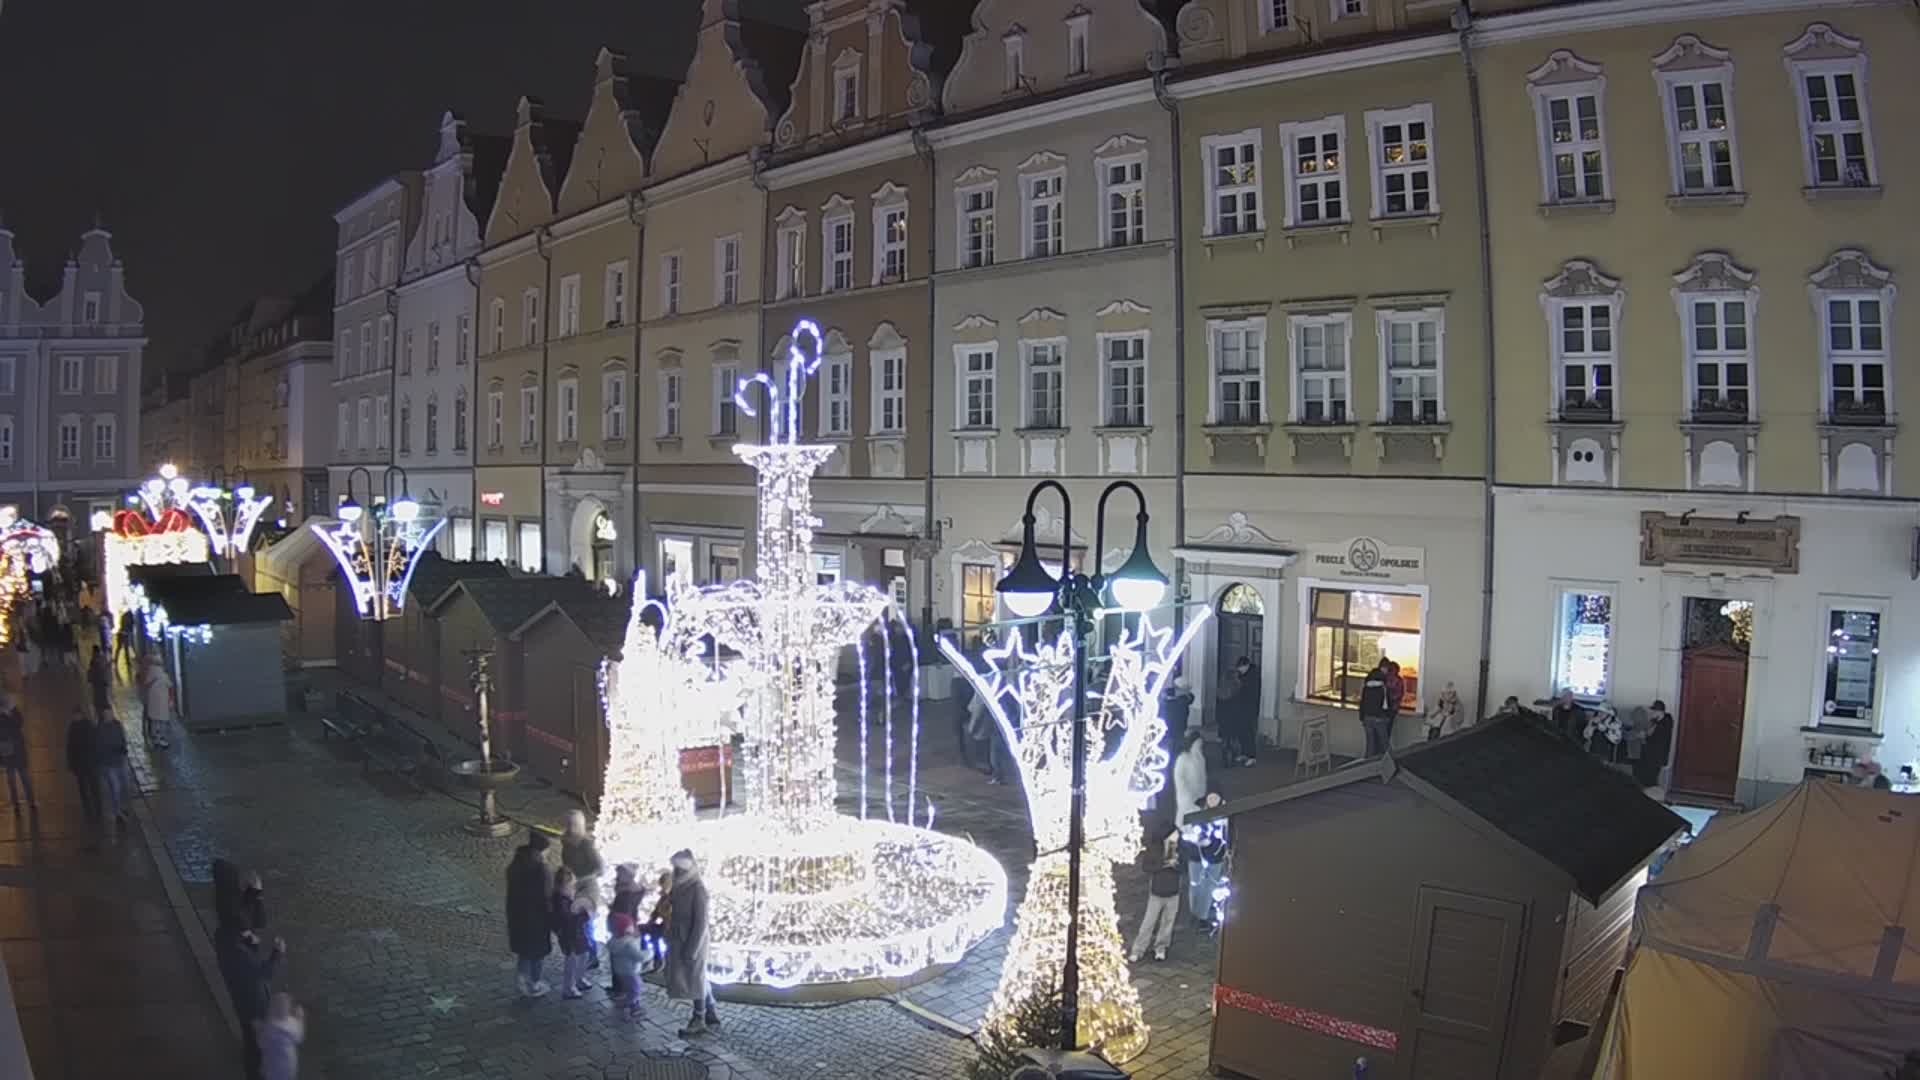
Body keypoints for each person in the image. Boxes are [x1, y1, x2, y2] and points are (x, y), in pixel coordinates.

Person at [217, 921, 285, 1080]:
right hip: (255, 1007)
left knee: (250, 1043)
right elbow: (263, 973)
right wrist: (277, 953)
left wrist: (252, 945)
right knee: (257, 1048)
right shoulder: (239, 952)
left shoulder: (224, 942)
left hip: (243, 1004)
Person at [665, 848, 719, 1036]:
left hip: (693, 939)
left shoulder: (698, 889)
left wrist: (692, 949)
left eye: (679, 869)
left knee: (695, 978)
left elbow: (701, 922)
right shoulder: (680, 886)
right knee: (698, 976)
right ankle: (710, 1010)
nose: (677, 872)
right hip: (680, 937)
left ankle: (699, 1018)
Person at [505, 832, 554, 997]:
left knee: (524, 952)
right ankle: (534, 984)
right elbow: (547, 897)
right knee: (537, 954)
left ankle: (520, 979)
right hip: (536, 920)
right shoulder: (542, 870)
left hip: (517, 916)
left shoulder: (517, 863)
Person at [1128, 823, 1182, 963]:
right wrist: (1163, 865)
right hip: (1157, 892)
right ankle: (1138, 949)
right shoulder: (1154, 849)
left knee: (1168, 922)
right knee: (1148, 922)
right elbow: (1146, 867)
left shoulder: (1179, 848)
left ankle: (1161, 948)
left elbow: (1186, 867)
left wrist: (1177, 865)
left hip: (1173, 892)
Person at [560, 810, 603, 967]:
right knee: (576, 923)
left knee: (586, 924)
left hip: (588, 887)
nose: (571, 828)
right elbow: (565, 862)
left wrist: (580, 879)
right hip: (573, 886)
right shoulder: (565, 841)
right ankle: (581, 952)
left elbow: (600, 868)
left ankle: (592, 956)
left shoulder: (586, 844)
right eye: (569, 824)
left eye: (574, 824)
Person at [1186, 796, 1228, 930]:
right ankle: (1194, 913)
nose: (1213, 801)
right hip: (1197, 857)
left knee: (1209, 887)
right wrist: (1198, 841)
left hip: (1215, 858)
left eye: (1216, 797)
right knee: (1196, 886)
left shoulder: (1224, 816)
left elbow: (1226, 836)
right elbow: (1192, 833)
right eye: (1211, 797)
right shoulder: (1198, 815)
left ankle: (1202, 917)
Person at [550, 866, 592, 999]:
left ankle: (579, 979)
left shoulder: (566, 894)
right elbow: (566, 918)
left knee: (584, 953)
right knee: (571, 959)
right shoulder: (559, 897)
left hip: (576, 930)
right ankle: (568, 988)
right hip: (568, 932)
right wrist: (584, 915)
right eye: (567, 880)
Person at [92, 706, 130, 823]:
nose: (109, 716)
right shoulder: (100, 730)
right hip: (109, 764)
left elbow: (122, 738)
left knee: (125, 785)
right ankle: (117, 811)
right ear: (103, 716)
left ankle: (121, 807)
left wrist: (123, 749)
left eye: (110, 713)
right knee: (116, 787)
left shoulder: (117, 725)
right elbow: (100, 747)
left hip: (120, 760)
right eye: (107, 714)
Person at [605, 912, 646, 1020]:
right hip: (631, 971)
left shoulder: (614, 941)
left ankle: (633, 1005)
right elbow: (640, 957)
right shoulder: (628, 944)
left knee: (630, 989)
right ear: (626, 929)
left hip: (620, 972)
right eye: (630, 925)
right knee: (636, 990)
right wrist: (649, 952)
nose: (633, 927)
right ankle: (629, 1006)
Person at [256, 992, 305, 1080]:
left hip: (276, 1068)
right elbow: (299, 1038)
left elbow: (261, 1044)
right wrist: (300, 1018)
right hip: (287, 1066)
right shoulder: (291, 1023)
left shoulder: (270, 1026)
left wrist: (258, 1029)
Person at [66, 706, 101, 823]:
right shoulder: (76, 727)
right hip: (82, 763)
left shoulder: (84, 726)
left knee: (91, 785)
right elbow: (70, 747)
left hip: (87, 762)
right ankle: (90, 807)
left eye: (76, 715)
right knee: (85, 786)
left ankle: (95, 807)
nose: (75, 717)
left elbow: (93, 743)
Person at [0, 692, 32, 813]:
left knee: (25, 779)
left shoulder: (14, 712)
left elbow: (19, 723)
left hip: (18, 753)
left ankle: (31, 802)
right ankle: (16, 805)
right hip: (8, 754)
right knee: (11, 781)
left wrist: (10, 714)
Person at [1632, 701, 1674, 789]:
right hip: (1647, 754)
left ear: (1660, 711)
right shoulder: (1654, 722)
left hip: (1656, 757)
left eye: (1654, 711)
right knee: (1641, 777)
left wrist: (1645, 736)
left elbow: (1658, 740)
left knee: (1650, 779)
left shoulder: (1665, 724)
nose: (1652, 713)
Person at [1228, 657, 1260, 767]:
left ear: (1246, 665)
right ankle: (1244, 753)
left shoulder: (1253, 676)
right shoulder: (1241, 675)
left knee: (1249, 732)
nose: (1239, 670)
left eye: (1241, 667)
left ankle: (1252, 756)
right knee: (1241, 731)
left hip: (1249, 709)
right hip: (1240, 708)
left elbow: (1252, 693)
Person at [1172, 729, 1207, 829]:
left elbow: (1203, 777)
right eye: (1197, 743)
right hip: (1186, 796)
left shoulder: (1201, 759)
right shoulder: (1183, 758)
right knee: (1184, 818)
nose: (1199, 746)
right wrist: (1185, 791)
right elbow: (1179, 776)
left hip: (1199, 795)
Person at [1357, 660, 1392, 758]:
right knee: (1385, 744)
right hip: (1379, 717)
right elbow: (1385, 705)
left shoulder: (1366, 686)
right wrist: (1388, 716)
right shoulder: (1383, 688)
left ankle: (1367, 766)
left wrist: (1362, 716)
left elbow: (1362, 702)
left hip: (1367, 717)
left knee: (1370, 744)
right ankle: (1390, 766)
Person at [139, 655, 175, 750]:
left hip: (152, 702)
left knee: (154, 721)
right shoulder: (164, 675)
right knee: (162, 721)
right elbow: (170, 687)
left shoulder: (148, 674)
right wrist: (171, 700)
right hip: (162, 703)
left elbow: (144, 685)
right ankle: (162, 740)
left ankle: (156, 739)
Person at [1162, 677, 1195, 753]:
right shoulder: (1184, 699)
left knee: (1172, 751)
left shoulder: (1179, 702)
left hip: (1173, 731)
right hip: (1178, 731)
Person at [87, 646, 112, 720]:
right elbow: (106, 671)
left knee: (98, 704)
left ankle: (100, 717)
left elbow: (89, 679)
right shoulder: (101, 660)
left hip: (97, 688)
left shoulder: (93, 662)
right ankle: (105, 716)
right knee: (104, 702)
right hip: (102, 686)